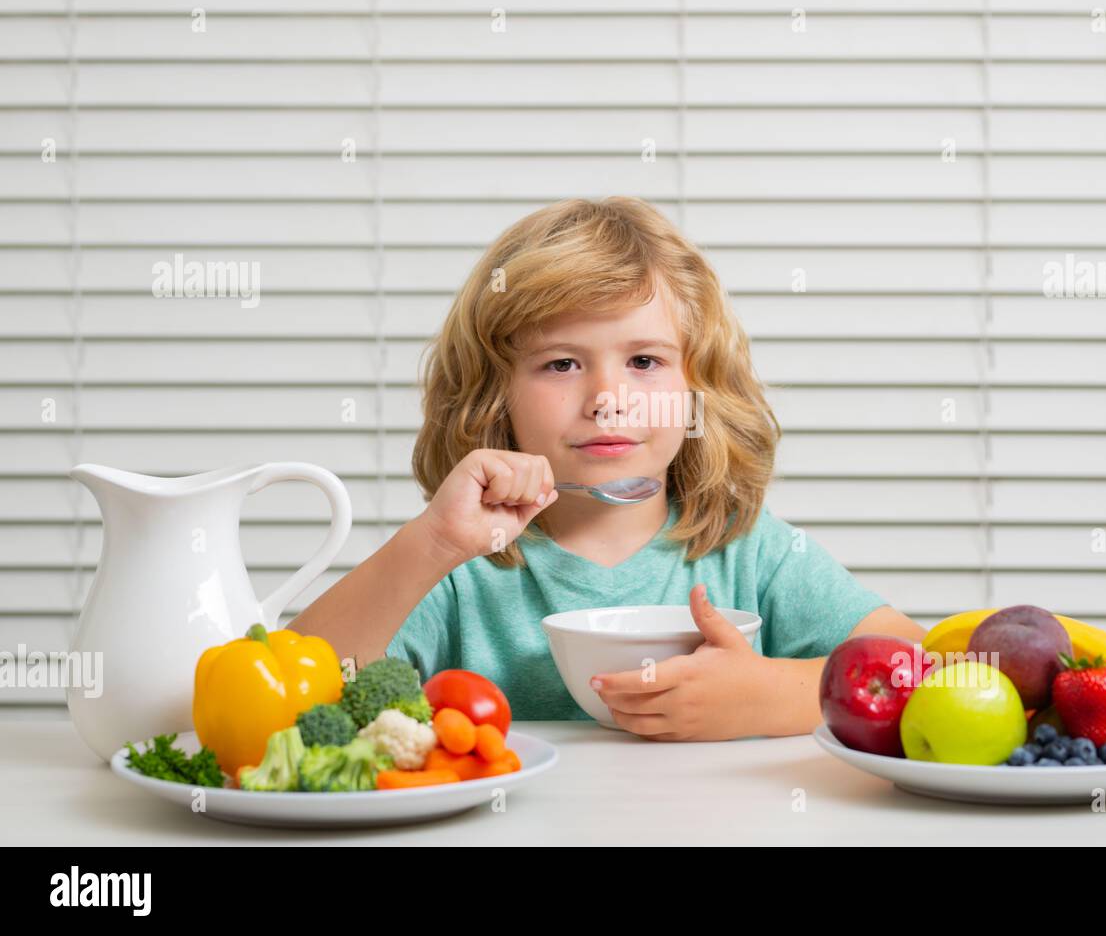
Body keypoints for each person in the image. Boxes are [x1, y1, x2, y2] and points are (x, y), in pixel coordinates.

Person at [289, 196, 926, 740]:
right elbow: (287, 699)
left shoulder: (753, 553)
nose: (608, 398)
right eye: (561, 363)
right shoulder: (460, 571)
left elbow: (920, 671)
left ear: (697, 388)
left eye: (644, 362)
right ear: (495, 395)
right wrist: (429, 543)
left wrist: (773, 696)